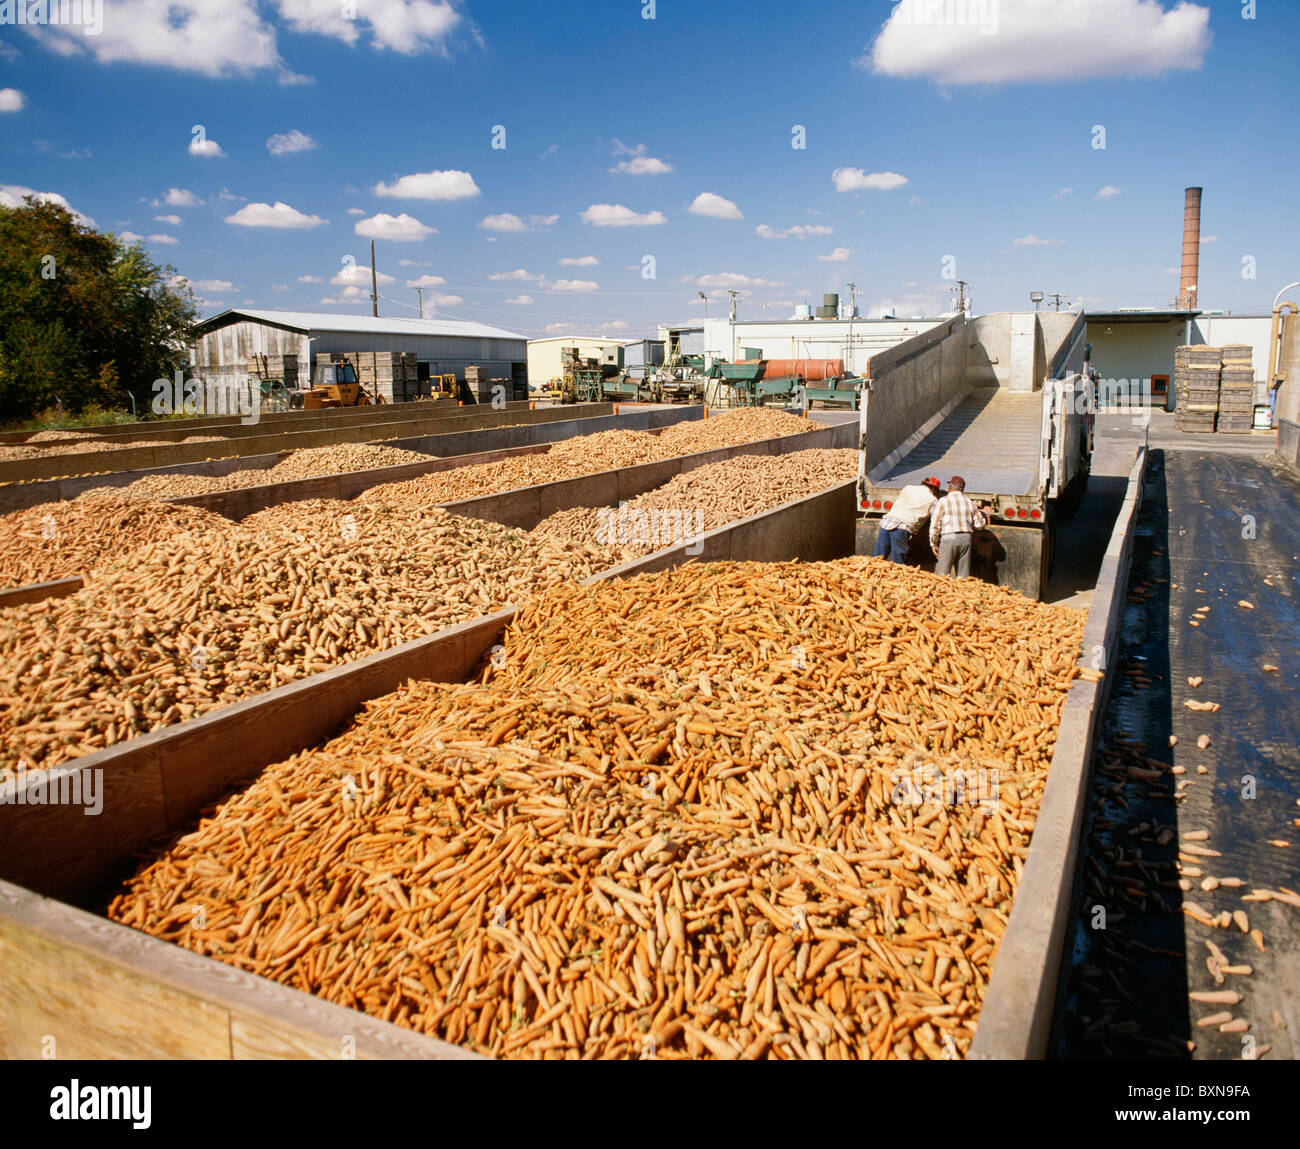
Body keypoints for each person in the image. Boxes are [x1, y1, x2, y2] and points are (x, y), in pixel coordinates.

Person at [929, 475, 990, 578]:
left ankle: (943, 592)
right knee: (962, 577)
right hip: (966, 539)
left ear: (950, 487)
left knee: (943, 576)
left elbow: (935, 525)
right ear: (962, 488)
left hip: (949, 538)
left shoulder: (943, 501)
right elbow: (980, 525)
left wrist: (933, 543)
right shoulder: (970, 503)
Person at [873, 476, 942, 564]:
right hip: (902, 527)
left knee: (877, 558)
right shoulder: (933, 500)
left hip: (886, 522)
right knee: (899, 562)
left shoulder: (908, 488)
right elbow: (935, 519)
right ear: (934, 489)